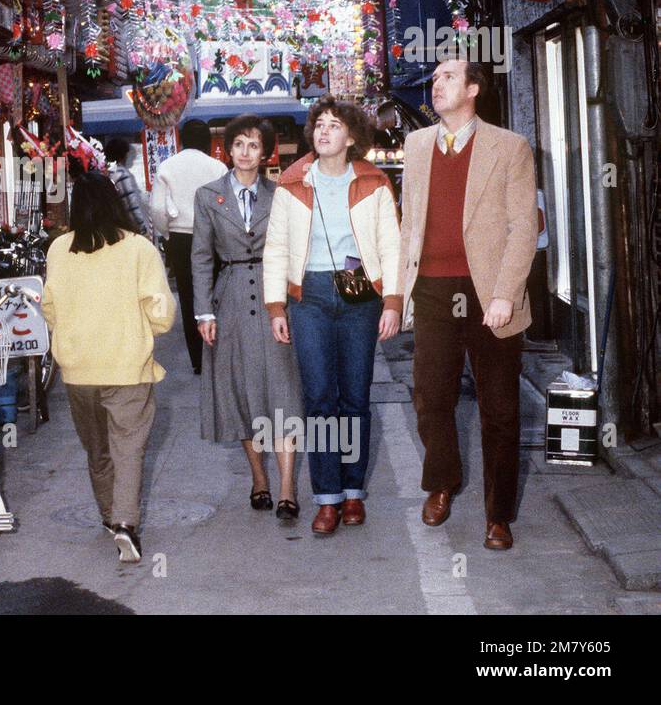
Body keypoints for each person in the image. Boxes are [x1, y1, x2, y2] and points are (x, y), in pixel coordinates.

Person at [399, 56, 538, 551]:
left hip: (488, 292)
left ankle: (499, 514)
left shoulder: (509, 147)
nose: (436, 84)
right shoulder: (416, 146)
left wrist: (504, 294)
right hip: (434, 290)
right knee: (430, 398)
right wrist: (399, 295)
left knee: (498, 410)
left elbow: (524, 226)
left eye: (448, 77)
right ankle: (443, 480)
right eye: (434, 78)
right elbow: (409, 225)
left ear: (474, 88)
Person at [263, 96, 402, 536]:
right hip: (311, 296)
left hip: (361, 294)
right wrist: (275, 306)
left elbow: (392, 244)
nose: (324, 132)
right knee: (320, 396)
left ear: (352, 136)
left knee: (355, 397)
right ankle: (326, 497)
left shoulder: (375, 182)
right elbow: (277, 248)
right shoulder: (291, 183)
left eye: (334, 125)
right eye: (319, 124)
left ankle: (354, 490)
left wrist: (395, 301)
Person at [41, 171, 175, 563]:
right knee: (128, 448)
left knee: (97, 449)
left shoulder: (59, 249)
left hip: (78, 369)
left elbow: (49, 307)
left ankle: (107, 516)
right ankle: (125, 524)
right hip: (127, 365)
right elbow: (162, 313)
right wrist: (140, 329)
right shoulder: (138, 249)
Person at [191, 115, 304, 520]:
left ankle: (288, 486)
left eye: (254, 145)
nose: (245, 152)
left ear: (265, 152)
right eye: (238, 144)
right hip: (231, 297)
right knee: (239, 391)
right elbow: (201, 257)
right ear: (227, 150)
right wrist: (204, 310)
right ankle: (259, 477)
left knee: (282, 390)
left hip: (276, 299)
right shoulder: (207, 196)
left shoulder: (283, 195)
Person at [150, 119, 227, 375]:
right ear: (207, 140)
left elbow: (157, 209)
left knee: (188, 296)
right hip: (214, 238)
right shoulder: (217, 167)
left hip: (181, 237)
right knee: (216, 293)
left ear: (181, 139)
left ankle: (198, 359)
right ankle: (218, 352)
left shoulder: (167, 167)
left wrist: (167, 233)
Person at [104, 136, 153, 240]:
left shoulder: (109, 173)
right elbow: (132, 204)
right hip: (131, 229)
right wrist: (143, 229)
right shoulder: (121, 174)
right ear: (123, 155)